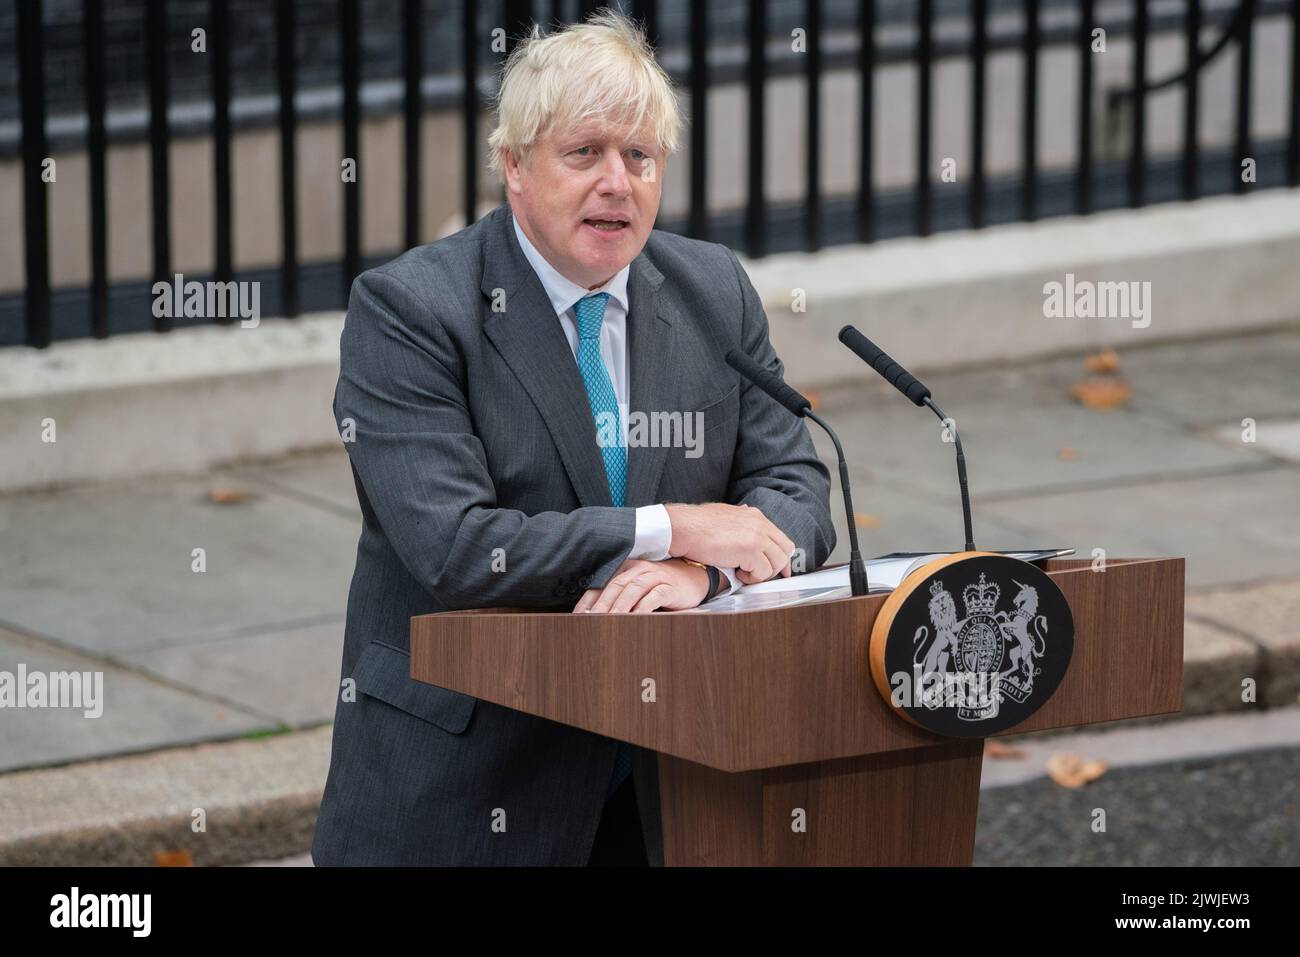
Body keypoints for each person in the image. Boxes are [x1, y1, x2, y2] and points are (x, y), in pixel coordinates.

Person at [311, 9, 834, 867]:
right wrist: (672, 526)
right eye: (584, 153)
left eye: (640, 157)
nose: (617, 183)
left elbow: (797, 490)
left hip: (674, 780)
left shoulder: (711, 289)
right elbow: (457, 546)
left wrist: (697, 573)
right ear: (514, 165)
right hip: (470, 783)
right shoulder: (411, 310)